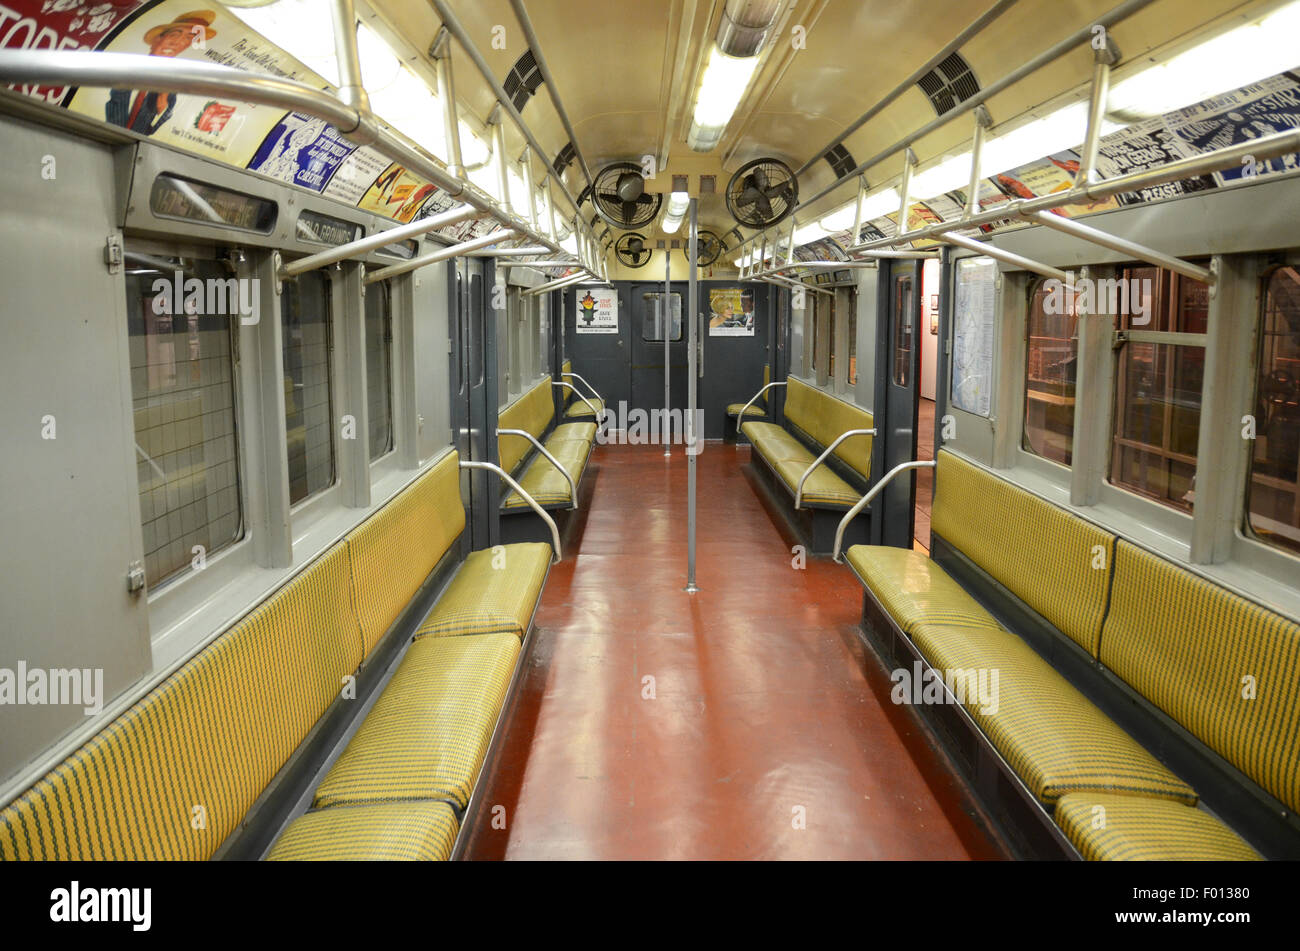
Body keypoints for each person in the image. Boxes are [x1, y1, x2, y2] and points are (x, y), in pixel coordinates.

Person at [105, 11, 217, 135]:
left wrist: (162, 99)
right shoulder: (123, 68)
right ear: (156, 39)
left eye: (188, 39)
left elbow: (153, 126)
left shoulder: (170, 88)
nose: (176, 43)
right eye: (174, 35)